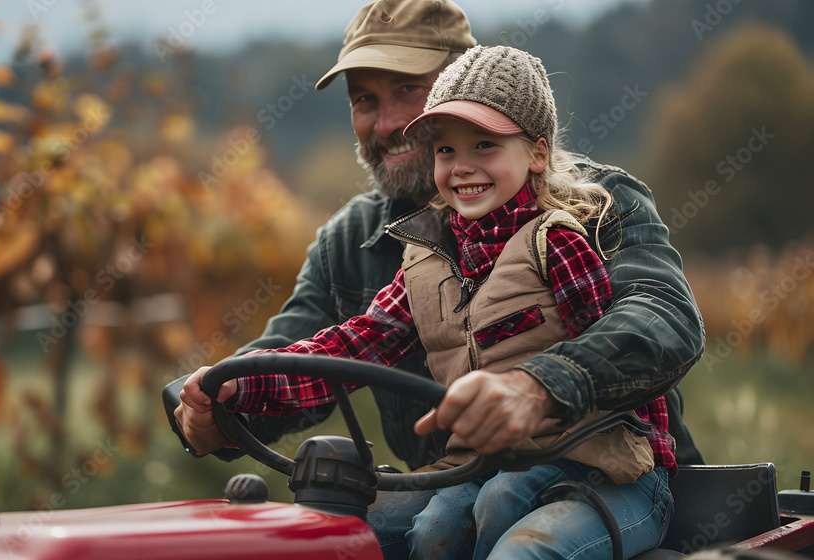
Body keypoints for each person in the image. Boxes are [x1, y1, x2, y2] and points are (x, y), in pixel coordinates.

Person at [167, 0, 705, 557]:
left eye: (406, 90)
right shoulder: (365, 245)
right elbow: (331, 347)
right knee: (325, 540)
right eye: (365, 100)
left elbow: (661, 319)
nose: (389, 122)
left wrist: (537, 385)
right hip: (462, 483)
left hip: (610, 478)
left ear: (462, 83)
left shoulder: (591, 207)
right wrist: (221, 401)